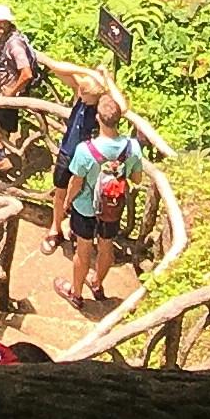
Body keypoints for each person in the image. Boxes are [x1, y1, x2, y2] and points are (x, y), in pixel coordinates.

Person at [59, 98, 142, 315]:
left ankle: (75, 293)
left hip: (86, 208)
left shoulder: (86, 150)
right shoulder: (132, 147)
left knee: (83, 250)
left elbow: (76, 182)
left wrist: (68, 201)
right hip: (112, 208)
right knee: (106, 247)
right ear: (119, 120)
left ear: (98, 119)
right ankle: (96, 282)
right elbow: (137, 178)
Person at [45, 63, 106, 253]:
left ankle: (75, 229)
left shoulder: (102, 105)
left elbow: (123, 106)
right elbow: (54, 66)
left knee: (83, 193)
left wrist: (108, 81)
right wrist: (87, 72)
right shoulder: (83, 93)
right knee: (60, 189)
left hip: (88, 157)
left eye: (86, 100)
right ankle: (55, 227)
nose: (82, 101)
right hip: (68, 151)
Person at [0, 2, 42, 181]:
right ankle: (0, 152)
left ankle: (1, 157)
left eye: (1, 22)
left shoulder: (14, 45)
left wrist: (11, 92)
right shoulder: (7, 37)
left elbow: (26, 73)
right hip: (4, 90)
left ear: (8, 22)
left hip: (10, 94)